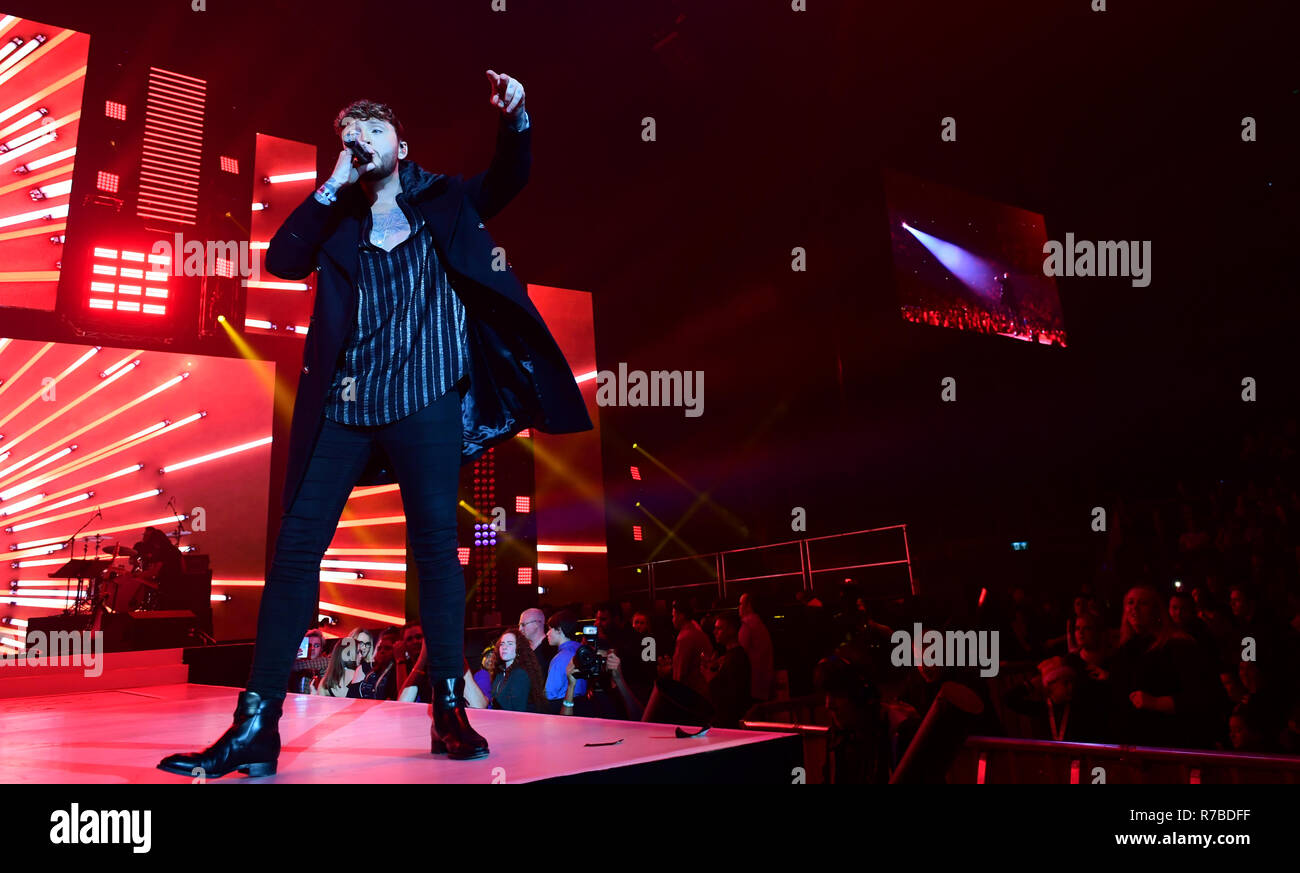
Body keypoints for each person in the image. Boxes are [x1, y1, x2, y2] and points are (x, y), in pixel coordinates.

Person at [158, 73, 593, 778]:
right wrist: (332, 181)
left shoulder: (445, 197)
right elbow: (283, 257)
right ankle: (256, 724)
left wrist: (516, 116)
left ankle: (448, 707)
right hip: (348, 403)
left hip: (426, 398)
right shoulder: (340, 216)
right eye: (350, 134)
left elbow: (511, 176)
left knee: (433, 552)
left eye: (374, 130)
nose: (361, 140)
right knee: (296, 547)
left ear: (403, 145)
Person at [703, 613, 752, 728]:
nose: (714, 632)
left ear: (732, 630)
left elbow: (730, 696)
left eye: (719, 628)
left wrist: (709, 676)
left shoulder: (735, 658)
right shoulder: (732, 656)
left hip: (730, 723)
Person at [543, 611, 587, 714]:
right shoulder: (582, 651)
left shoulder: (560, 658)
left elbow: (549, 695)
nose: (547, 633)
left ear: (559, 630)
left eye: (550, 629)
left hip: (562, 710)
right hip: (583, 708)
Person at [670, 599, 712, 697]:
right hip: (704, 691)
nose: (672, 620)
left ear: (681, 616)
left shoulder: (684, 637)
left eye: (673, 616)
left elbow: (679, 675)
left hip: (691, 693)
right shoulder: (698, 632)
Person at [737, 592, 774, 703]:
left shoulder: (747, 624)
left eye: (740, 604)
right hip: (763, 682)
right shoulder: (758, 623)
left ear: (749, 606)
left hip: (751, 684)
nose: (738, 607)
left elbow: (739, 654)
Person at [314, 629, 369, 697]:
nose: (361, 655)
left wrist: (314, 696)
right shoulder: (361, 676)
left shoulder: (326, 682)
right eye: (358, 652)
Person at [517, 608, 555, 676]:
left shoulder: (550, 650)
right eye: (519, 625)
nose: (520, 629)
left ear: (536, 624)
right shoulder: (522, 649)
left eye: (523, 624)